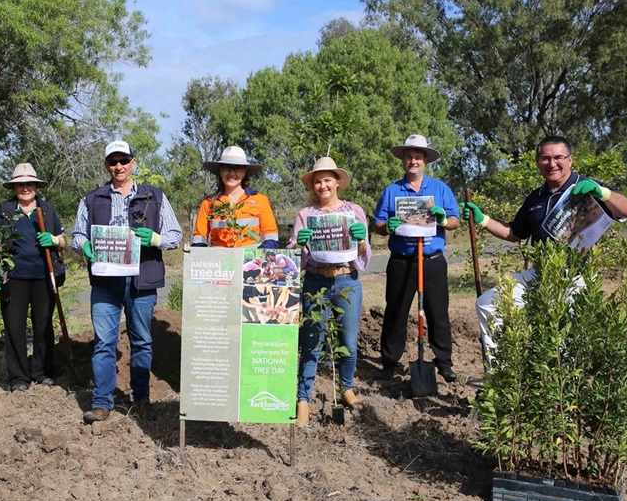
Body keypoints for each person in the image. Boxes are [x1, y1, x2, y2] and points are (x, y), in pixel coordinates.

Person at [460, 135, 627, 356]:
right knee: (488, 304)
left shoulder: (586, 187)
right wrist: (482, 219)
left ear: (570, 160)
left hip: (575, 277)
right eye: (545, 158)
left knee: (565, 344)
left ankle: (569, 388)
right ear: (537, 162)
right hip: (539, 274)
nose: (552, 164)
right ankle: (502, 376)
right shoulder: (535, 198)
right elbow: (514, 233)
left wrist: (604, 193)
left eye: (558, 157)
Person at [73, 140, 182, 423]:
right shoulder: (92, 198)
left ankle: (142, 399)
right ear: (106, 165)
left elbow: (175, 235)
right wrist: (84, 246)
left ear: (134, 162)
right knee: (104, 342)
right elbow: (78, 235)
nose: (118, 166)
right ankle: (101, 402)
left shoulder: (154, 196)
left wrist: (156, 239)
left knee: (142, 341)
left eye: (124, 160)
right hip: (105, 283)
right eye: (113, 161)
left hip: (141, 280)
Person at [372, 135, 460, 384]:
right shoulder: (391, 191)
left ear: (425, 161)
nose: (413, 161)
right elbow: (378, 224)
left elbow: (455, 221)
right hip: (402, 260)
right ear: (403, 160)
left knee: (437, 312)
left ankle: (443, 362)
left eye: (418, 157)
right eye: (409, 156)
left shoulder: (440, 189)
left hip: (431, 259)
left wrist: (443, 219)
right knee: (396, 312)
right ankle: (390, 362)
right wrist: (386, 226)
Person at [292, 156, 372, 426]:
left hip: (346, 282)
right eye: (317, 181)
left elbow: (363, 255)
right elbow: (296, 259)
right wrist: (299, 245)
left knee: (348, 343)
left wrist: (361, 238)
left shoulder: (353, 212)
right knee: (311, 343)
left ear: (338, 182)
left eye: (327, 180)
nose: (322, 185)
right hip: (315, 283)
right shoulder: (306, 215)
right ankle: (304, 400)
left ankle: (347, 389)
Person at [0, 163, 65, 392]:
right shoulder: (5, 209)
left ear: (36, 187)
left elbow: (63, 240)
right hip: (14, 277)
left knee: (43, 324)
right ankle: (18, 377)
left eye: (29, 183)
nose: (25, 188)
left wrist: (53, 239)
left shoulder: (47, 209)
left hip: (44, 275)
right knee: (15, 326)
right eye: (20, 184)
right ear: (14, 187)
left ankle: (41, 372)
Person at [192, 146, 279, 248]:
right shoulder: (208, 203)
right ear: (220, 171)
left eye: (237, 168)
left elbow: (271, 239)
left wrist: (255, 259)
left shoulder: (260, 200)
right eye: (227, 167)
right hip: (219, 261)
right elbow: (199, 241)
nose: (232, 173)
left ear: (244, 172)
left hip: (251, 261)